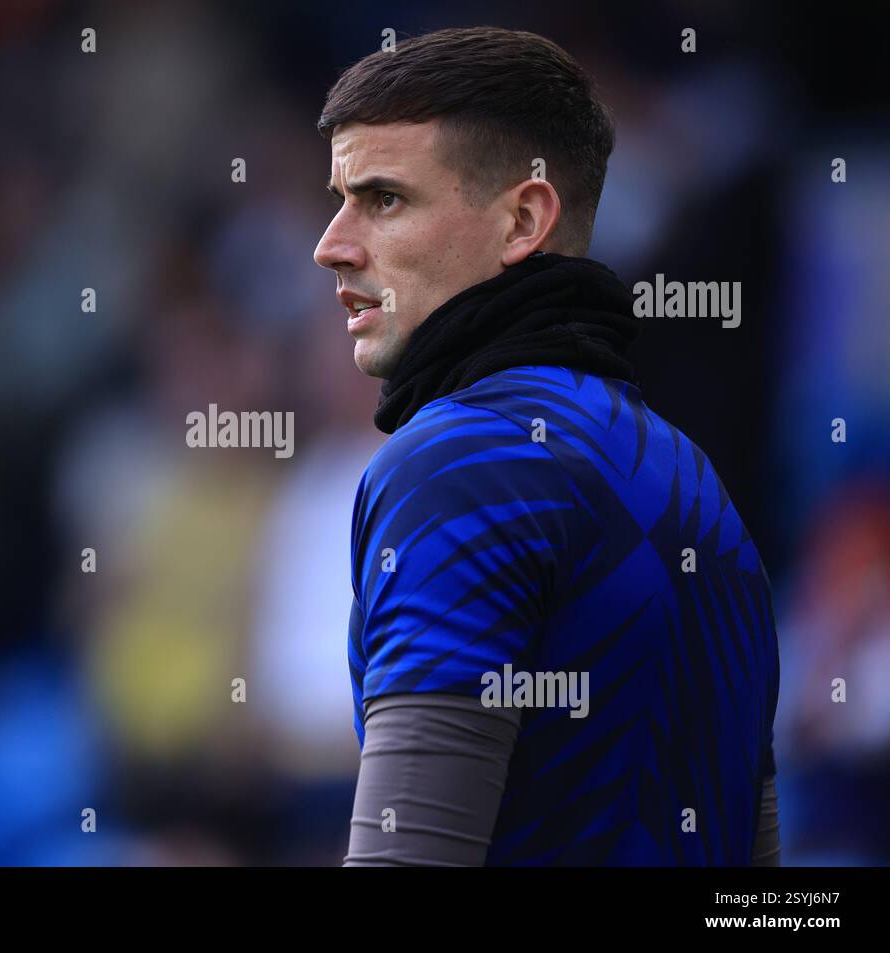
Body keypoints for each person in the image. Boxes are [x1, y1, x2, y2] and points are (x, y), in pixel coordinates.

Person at [312, 26, 780, 865]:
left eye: (383, 199)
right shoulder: (697, 481)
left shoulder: (457, 469)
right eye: (339, 199)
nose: (331, 245)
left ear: (523, 219)